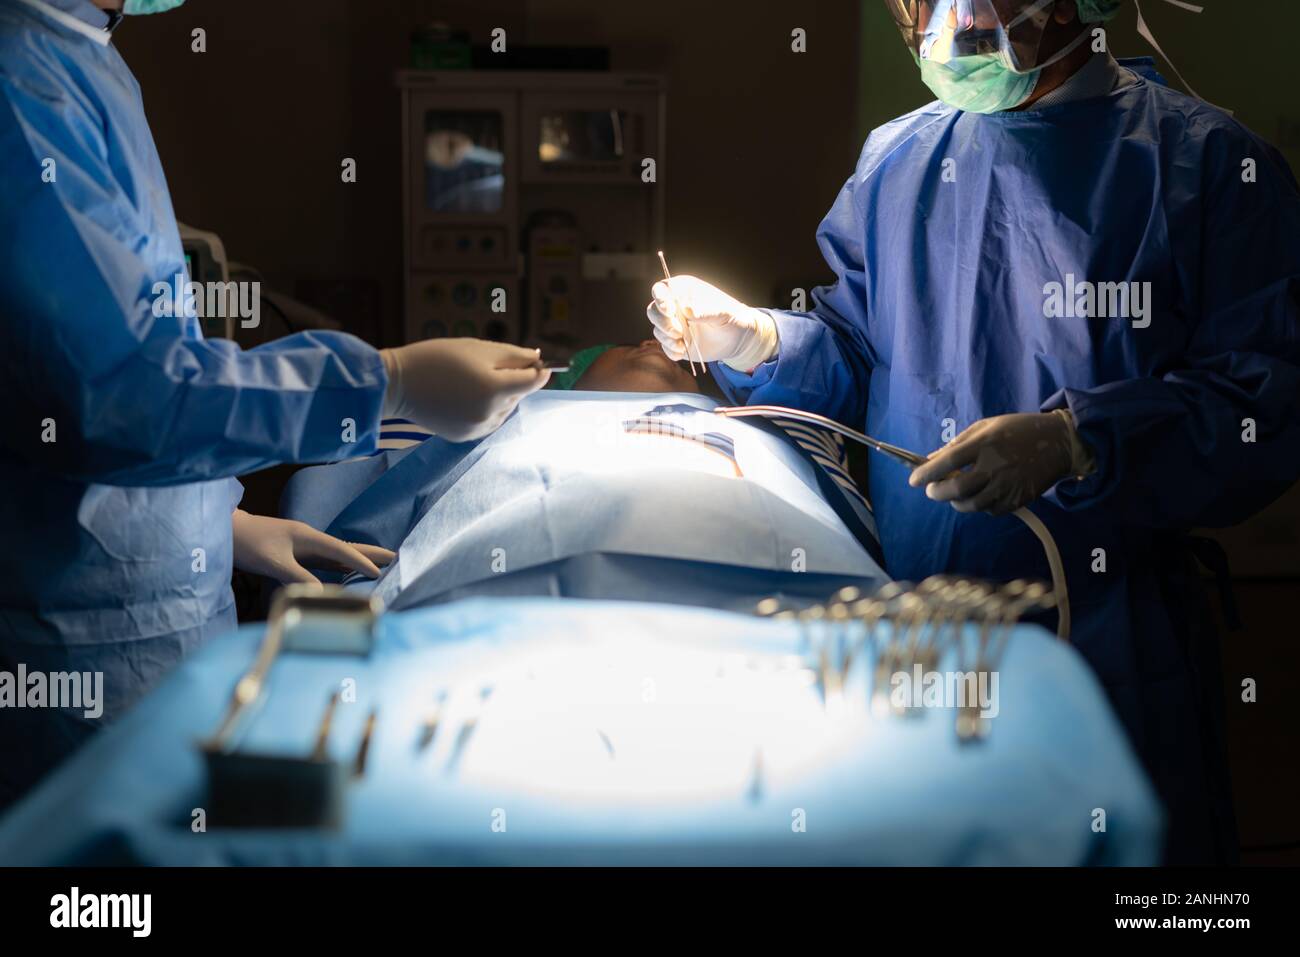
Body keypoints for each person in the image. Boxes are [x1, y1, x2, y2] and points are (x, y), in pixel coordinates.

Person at [647, 0, 1300, 863]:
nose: (948, 22)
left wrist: (1081, 441)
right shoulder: (899, 160)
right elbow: (856, 357)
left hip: (1111, 644)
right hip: (921, 626)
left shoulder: (1206, 165)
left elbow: (1263, 403)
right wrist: (760, 338)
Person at [0, 0, 548, 807]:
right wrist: (384, 380)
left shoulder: (83, 59)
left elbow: (57, 371)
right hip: (74, 654)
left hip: (144, 612)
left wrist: (214, 526)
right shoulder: (22, 86)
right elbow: (118, 392)